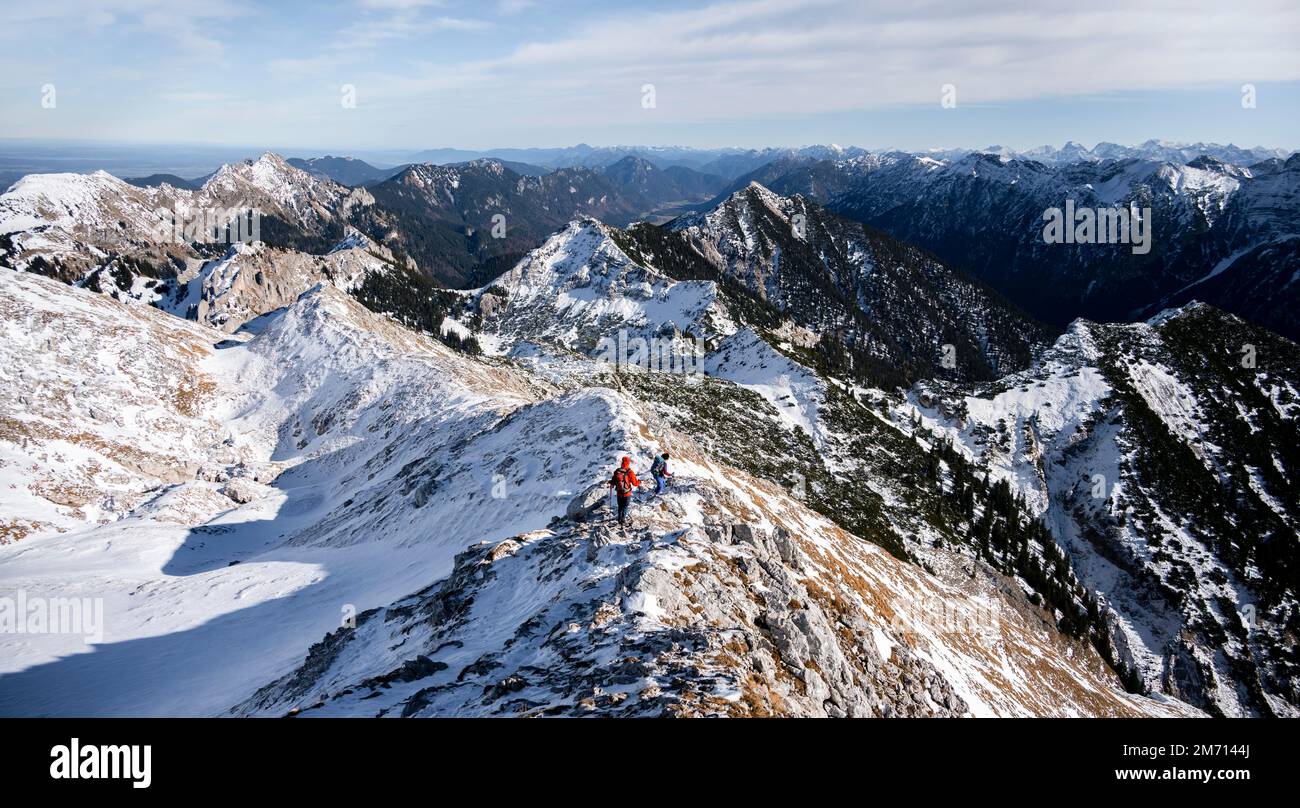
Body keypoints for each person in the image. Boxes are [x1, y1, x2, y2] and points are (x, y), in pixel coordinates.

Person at [608, 456, 641, 527]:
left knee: (620, 506)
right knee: (625, 506)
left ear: (622, 462)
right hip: (627, 493)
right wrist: (639, 482)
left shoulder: (617, 471)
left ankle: (619, 519)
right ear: (628, 463)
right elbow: (635, 483)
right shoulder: (629, 472)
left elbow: (613, 481)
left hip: (619, 493)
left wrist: (611, 483)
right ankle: (623, 520)